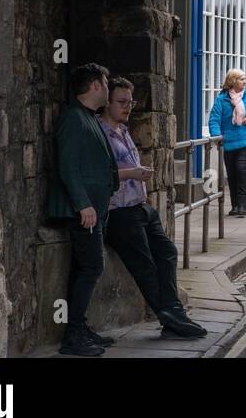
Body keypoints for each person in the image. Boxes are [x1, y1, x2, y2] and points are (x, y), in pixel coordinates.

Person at [99, 78, 207, 339]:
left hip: (140, 207)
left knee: (167, 251)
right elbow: (102, 173)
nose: (128, 107)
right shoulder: (100, 133)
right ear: (107, 103)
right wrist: (133, 173)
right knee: (144, 264)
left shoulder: (123, 130)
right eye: (122, 102)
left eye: (130, 102)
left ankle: (173, 311)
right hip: (118, 211)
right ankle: (168, 317)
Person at [46, 62, 119, 356]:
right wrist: (83, 204)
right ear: (95, 86)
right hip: (84, 211)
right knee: (92, 266)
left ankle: (79, 327)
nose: (109, 88)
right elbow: (67, 166)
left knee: (82, 268)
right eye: (106, 82)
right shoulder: (74, 119)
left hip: (94, 209)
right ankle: (73, 336)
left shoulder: (87, 117)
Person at [208, 68, 246, 219]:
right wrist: (217, 137)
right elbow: (214, 120)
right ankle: (234, 206)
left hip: (245, 142)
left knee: (241, 171)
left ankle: (242, 206)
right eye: (241, 79)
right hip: (227, 143)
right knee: (231, 175)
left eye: (245, 79)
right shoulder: (222, 100)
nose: (244, 82)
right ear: (232, 81)